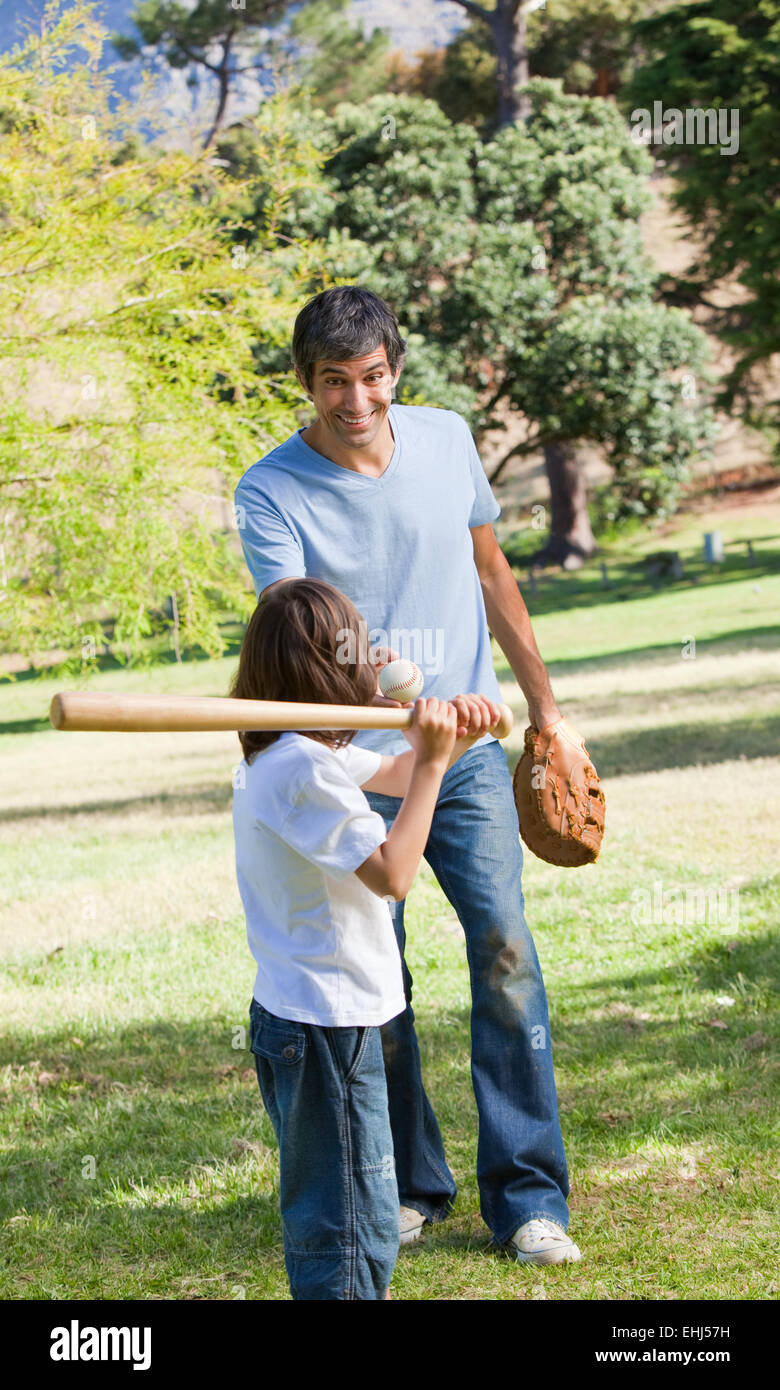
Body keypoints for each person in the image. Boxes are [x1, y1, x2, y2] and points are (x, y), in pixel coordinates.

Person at [234, 285, 582, 1266]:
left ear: (397, 368)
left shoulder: (446, 439)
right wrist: (395, 689)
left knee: (507, 952)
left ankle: (528, 1199)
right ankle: (410, 1184)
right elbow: (300, 623)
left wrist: (546, 713)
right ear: (305, 384)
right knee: (369, 980)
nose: (357, 400)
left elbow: (493, 574)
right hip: (352, 759)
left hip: (465, 747)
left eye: (374, 377)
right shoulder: (269, 489)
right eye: (334, 382)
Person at [230, 576, 504, 1300]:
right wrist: (436, 763)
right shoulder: (300, 769)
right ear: (327, 671)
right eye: (357, 651)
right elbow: (393, 873)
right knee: (349, 1227)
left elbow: (392, 771)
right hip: (326, 1022)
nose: (374, 661)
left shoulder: (292, 752)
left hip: (317, 1016)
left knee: (356, 1209)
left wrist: (447, 736)